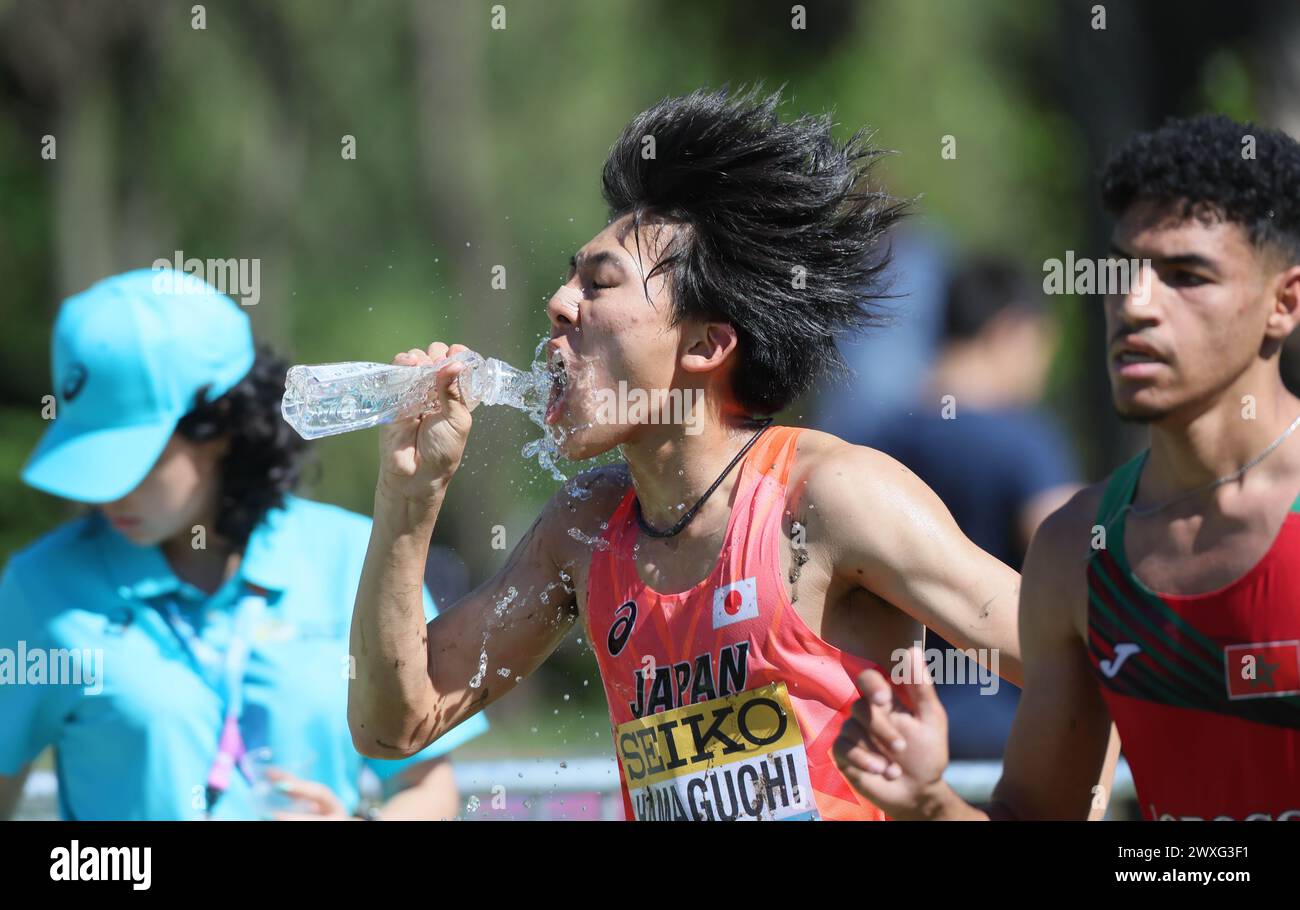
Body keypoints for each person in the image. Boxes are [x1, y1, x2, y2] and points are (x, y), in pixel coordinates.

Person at [347, 86, 1024, 822]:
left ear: (706, 345)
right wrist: (407, 504)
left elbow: (1074, 658)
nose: (558, 302)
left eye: (599, 284)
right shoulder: (585, 527)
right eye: (570, 277)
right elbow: (394, 726)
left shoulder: (829, 499)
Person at [834, 114, 1300, 821]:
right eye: (1124, 271)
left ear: (1283, 303)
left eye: (1185, 275)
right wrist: (930, 804)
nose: (1135, 305)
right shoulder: (1077, 550)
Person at [0, 269, 486, 821]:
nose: (107, 487)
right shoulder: (41, 590)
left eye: (136, 458)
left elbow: (426, 784)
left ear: (223, 426)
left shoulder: (359, 558)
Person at [866, 257, 1079, 759]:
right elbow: (1074, 565)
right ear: (1011, 331)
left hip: (899, 733)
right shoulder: (1024, 440)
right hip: (1011, 737)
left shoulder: (871, 445)